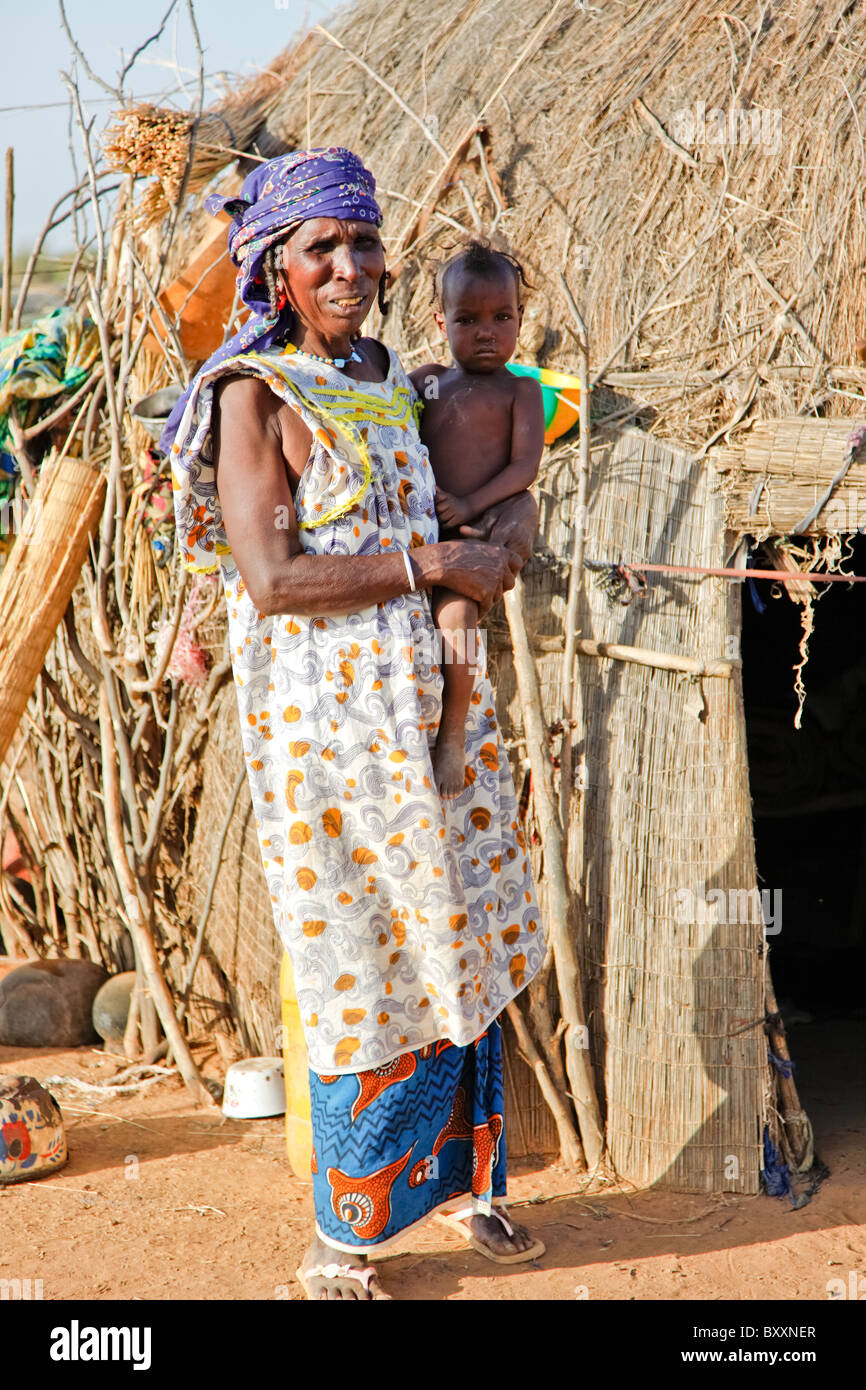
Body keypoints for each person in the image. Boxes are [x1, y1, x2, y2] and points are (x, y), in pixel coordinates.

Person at [164, 148, 548, 1301]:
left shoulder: (398, 377)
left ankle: (470, 1188)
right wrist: (431, 558)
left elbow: (467, 492)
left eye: (363, 243)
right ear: (275, 264)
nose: (348, 267)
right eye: (320, 247)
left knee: (459, 937)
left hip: (432, 704)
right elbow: (273, 575)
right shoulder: (253, 393)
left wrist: (496, 545)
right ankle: (344, 1237)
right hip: (327, 733)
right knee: (355, 960)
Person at [410, 241, 544, 796]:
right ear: (441, 320)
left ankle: (453, 733)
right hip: (422, 543)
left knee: (457, 624)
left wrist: (469, 507)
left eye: (502, 317)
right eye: (467, 319)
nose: (487, 331)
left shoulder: (521, 391)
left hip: (478, 536)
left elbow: (524, 468)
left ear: (520, 319)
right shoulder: (427, 383)